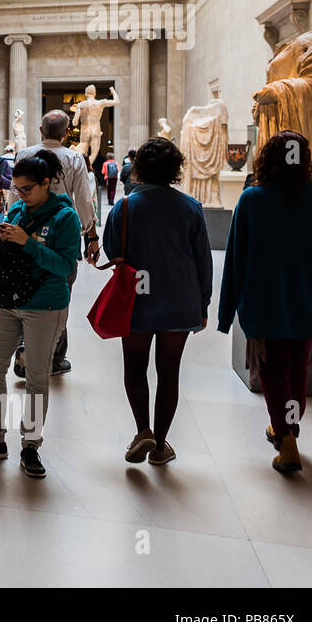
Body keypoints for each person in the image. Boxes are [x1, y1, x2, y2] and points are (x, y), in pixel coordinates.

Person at [218, 130, 312, 475]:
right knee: (296, 368)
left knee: (274, 371)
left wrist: (226, 311)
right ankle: (287, 427)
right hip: (307, 301)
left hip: (266, 302)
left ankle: (287, 439)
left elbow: (236, 260)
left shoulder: (251, 199)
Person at [0, 149, 80, 479]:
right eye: (17, 188)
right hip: (9, 302)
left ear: (46, 184)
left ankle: (31, 445)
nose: (21, 195)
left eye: (27, 189)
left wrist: (28, 242)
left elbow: (65, 266)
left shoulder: (65, 218)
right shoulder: (15, 209)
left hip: (46, 305)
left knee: (36, 378)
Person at [100, 138, 211, 466]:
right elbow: (202, 261)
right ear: (176, 169)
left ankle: (143, 431)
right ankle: (161, 445)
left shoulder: (125, 206)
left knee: (135, 368)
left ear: (139, 168)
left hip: (136, 299)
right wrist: (202, 305)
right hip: (180, 300)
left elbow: (111, 249)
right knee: (169, 372)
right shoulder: (191, 207)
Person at [14, 110, 98, 377]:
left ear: (40, 130)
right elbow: (84, 200)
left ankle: (28, 343)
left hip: (25, 231)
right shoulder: (73, 158)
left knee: (25, 288)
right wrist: (92, 237)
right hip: (61, 234)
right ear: (65, 134)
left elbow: (14, 197)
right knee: (59, 296)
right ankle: (53, 357)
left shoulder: (24, 155)